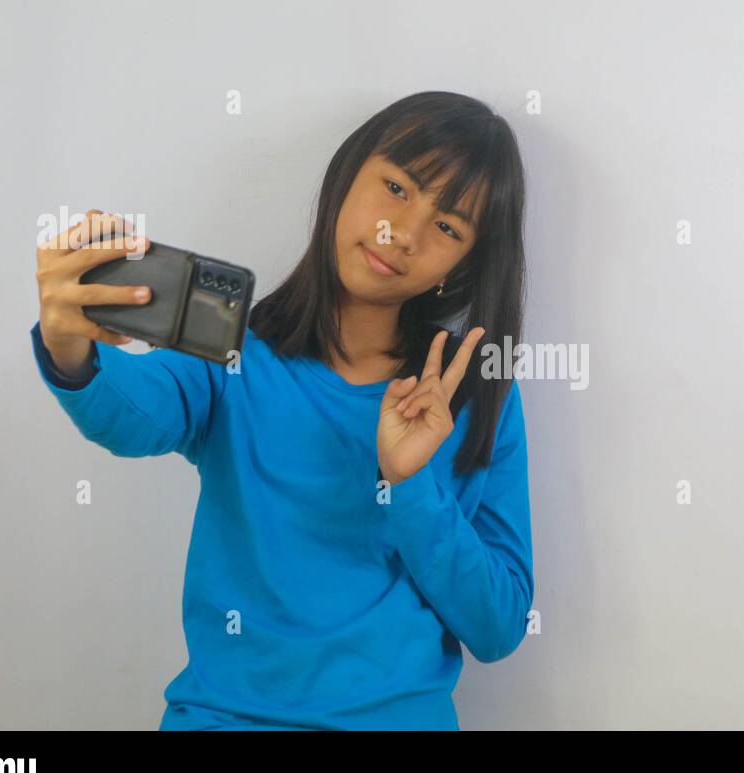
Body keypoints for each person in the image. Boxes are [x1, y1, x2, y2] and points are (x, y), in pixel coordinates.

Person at [28, 91, 534, 730]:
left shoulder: (475, 395)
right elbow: (128, 415)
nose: (399, 234)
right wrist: (69, 347)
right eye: (397, 188)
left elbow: (499, 625)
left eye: (447, 226)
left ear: (459, 266)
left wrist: (412, 488)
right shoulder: (234, 348)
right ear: (347, 176)